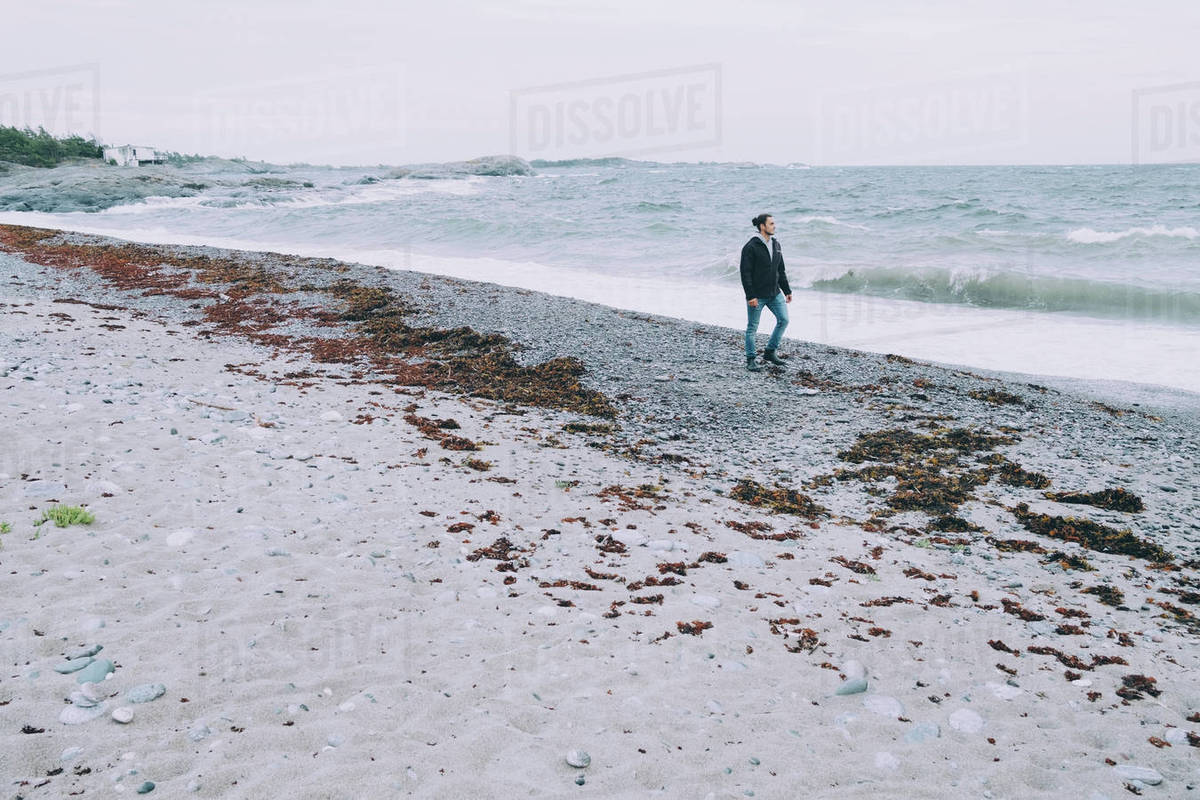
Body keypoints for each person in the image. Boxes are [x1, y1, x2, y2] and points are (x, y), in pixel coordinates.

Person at [739, 213, 791, 371]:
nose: (774, 226)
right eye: (771, 223)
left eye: (774, 223)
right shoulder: (751, 246)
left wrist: (787, 290)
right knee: (752, 327)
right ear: (762, 226)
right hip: (757, 296)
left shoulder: (776, 244)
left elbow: (780, 270)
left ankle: (770, 352)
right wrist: (750, 296)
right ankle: (751, 359)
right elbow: (745, 273)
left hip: (775, 293)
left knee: (784, 320)